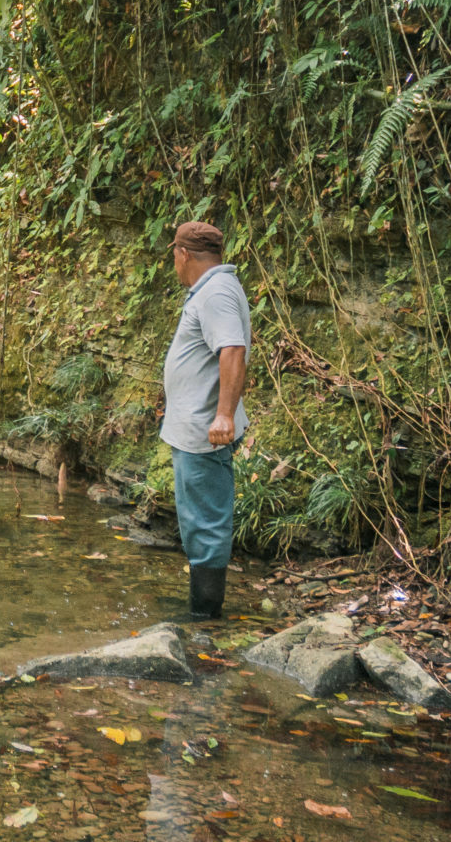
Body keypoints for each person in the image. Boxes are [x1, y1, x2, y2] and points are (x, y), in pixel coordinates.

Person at [161, 220, 251, 620]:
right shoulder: (214, 289)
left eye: (174, 256)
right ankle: (202, 613)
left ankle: (205, 618)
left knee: (206, 525)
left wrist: (223, 416)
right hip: (195, 428)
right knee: (198, 523)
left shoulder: (215, 292)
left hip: (204, 431)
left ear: (184, 254)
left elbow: (232, 350)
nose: (174, 264)